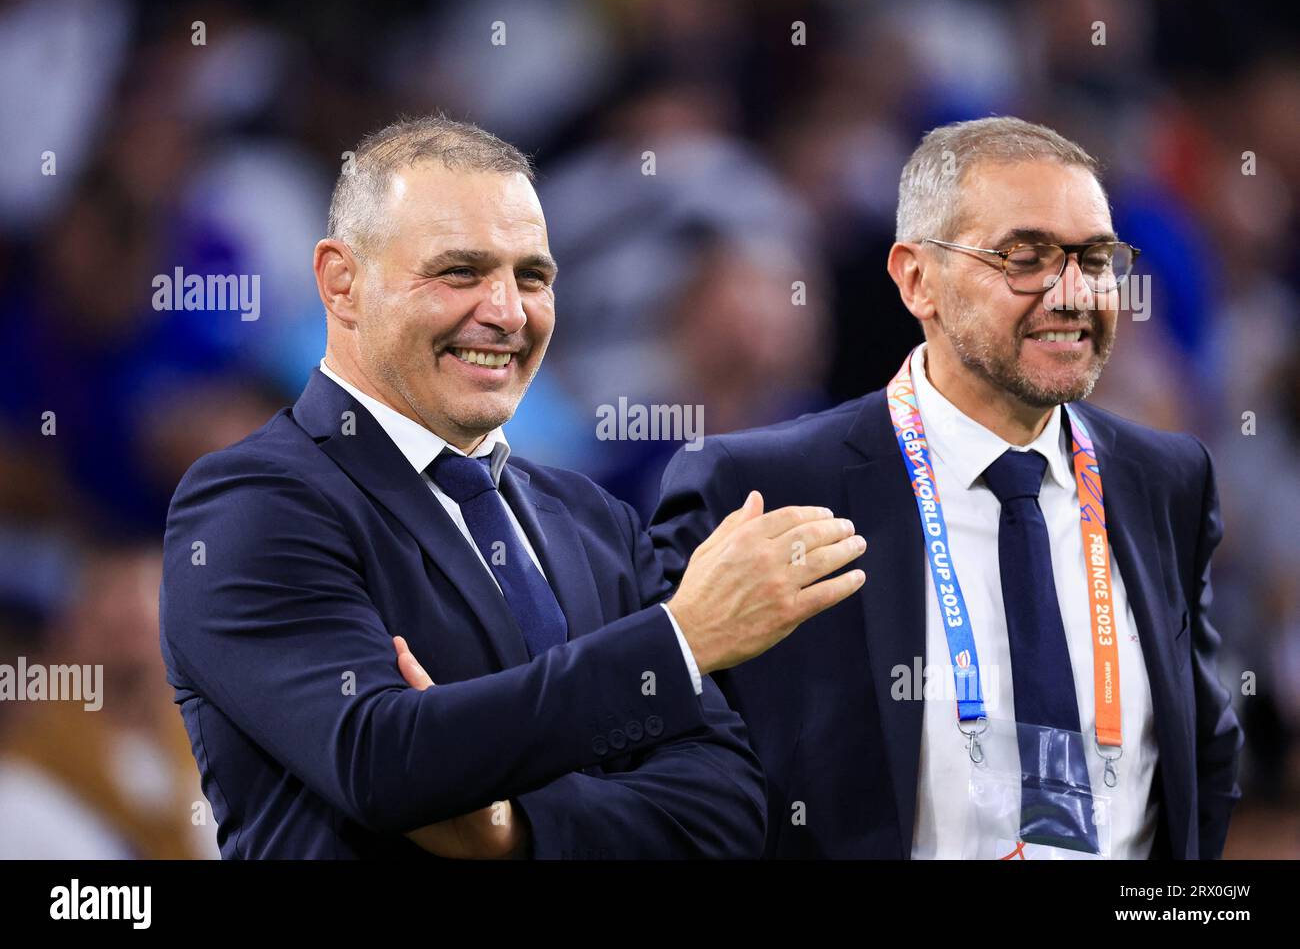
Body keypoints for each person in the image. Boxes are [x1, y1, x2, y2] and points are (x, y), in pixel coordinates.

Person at [158, 114, 866, 859]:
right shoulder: (253, 503)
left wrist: (514, 828)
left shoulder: (596, 520)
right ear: (342, 282)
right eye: (460, 271)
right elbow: (383, 758)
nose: (506, 312)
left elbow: (724, 813)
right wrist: (679, 640)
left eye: (532, 276)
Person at [651, 116, 1244, 859]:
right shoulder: (760, 486)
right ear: (916, 279)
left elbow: (1205, 755)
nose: (1073, 293)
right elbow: (671, 776)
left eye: (1094, 259)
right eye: (1024, 258)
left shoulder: (1168, 479)